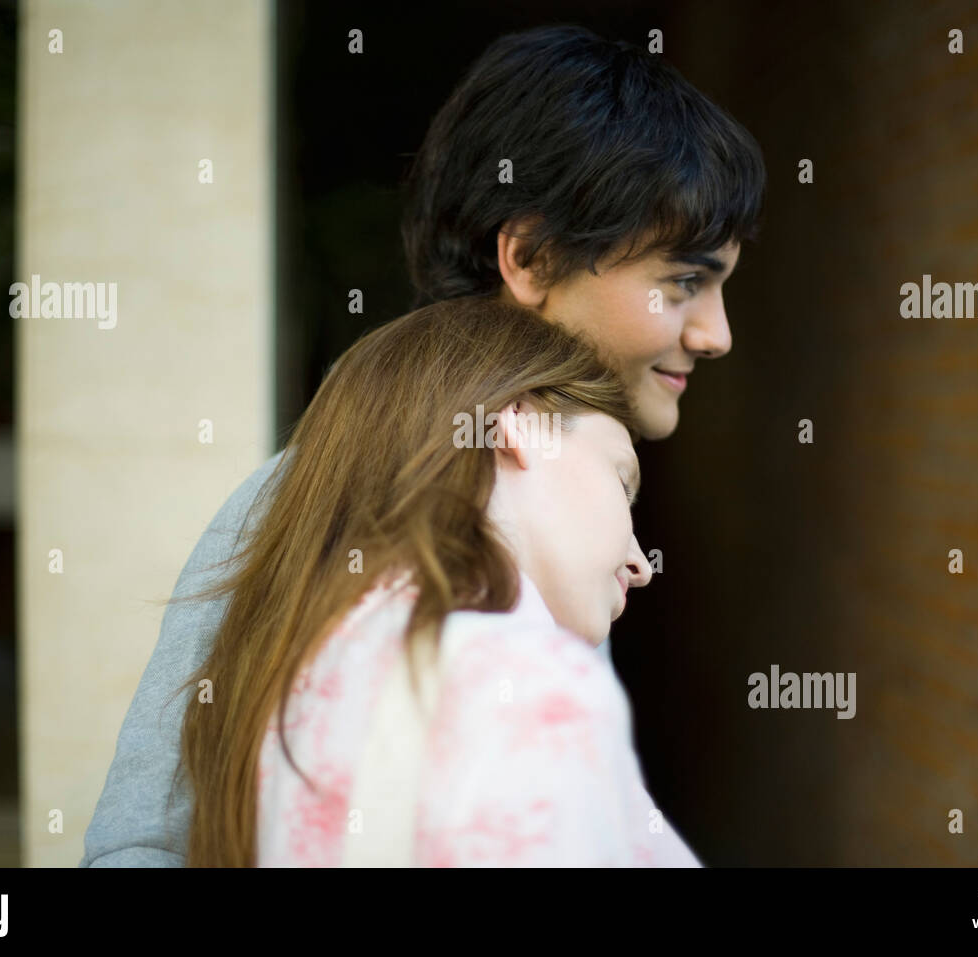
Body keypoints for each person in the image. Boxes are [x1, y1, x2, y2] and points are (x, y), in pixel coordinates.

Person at [80, 22, 764, 867]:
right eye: (684, 281)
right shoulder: (307, 492)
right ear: (531, 256)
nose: (717, 333)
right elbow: (139, 844)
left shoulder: (558, 516)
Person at [180, 297, 698, 866]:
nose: (639, 563)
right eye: (622, 482)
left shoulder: (287, 695)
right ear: (520, 426)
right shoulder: (524, 682)